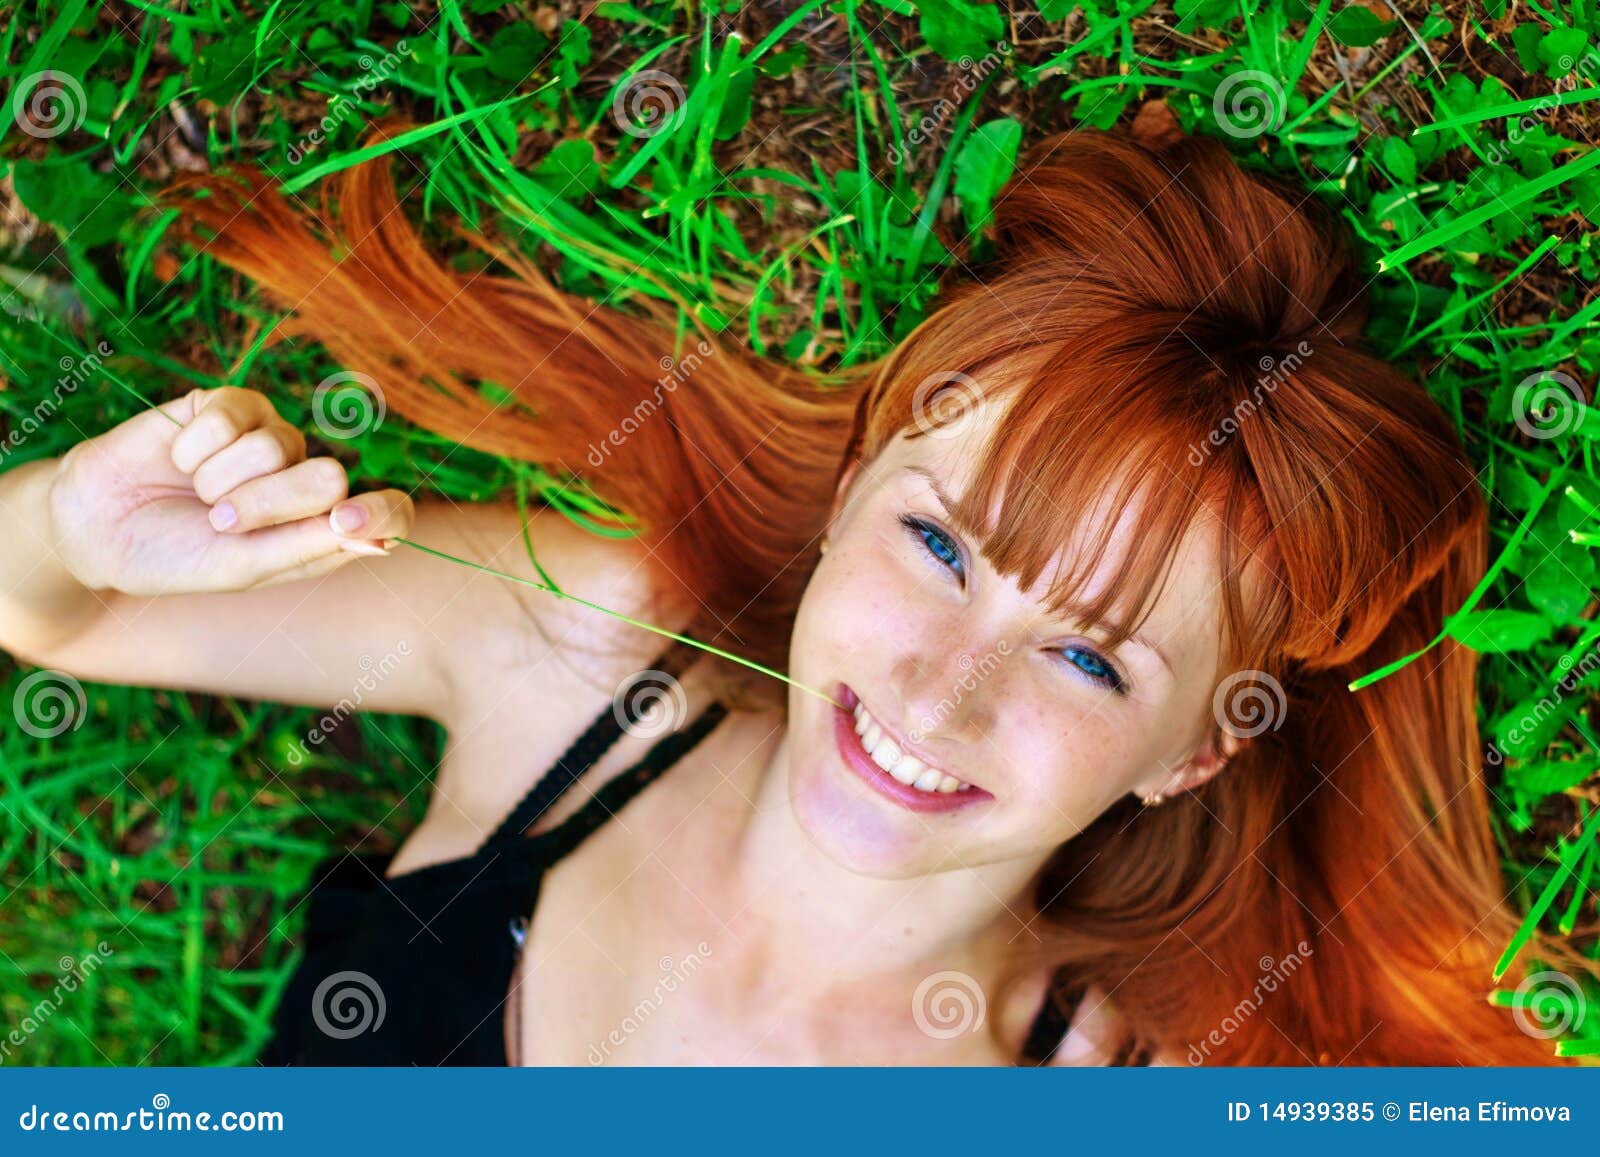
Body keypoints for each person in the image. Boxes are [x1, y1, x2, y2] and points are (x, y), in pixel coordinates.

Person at [0, 122, 1589, 1065]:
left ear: (1197, 746)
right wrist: (73, 526)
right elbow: (58, 620)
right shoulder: (579, 653)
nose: (938, 693)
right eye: (942, 549)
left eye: (1092, 663)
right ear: (850, 492)